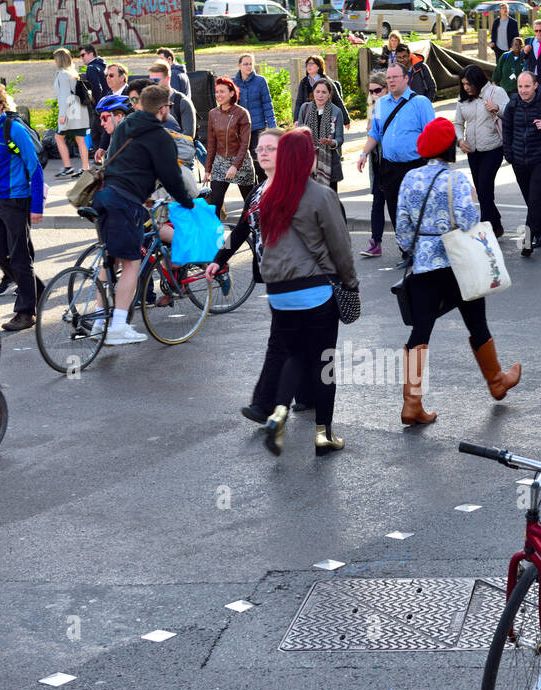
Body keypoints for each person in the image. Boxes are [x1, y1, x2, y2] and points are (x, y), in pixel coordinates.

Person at [396, 117, 521, 425]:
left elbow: (401, 230)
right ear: (451, 148)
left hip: (424, 267)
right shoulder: (458, 180)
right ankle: (496, 382)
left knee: (420, 332)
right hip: (457, 266)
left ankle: (412, 404)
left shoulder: (410, 179)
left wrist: (420, 248)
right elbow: (468, 221)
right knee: (477, 323)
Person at [255, 129, 357, 457]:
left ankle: (279, 411)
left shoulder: (269, 195)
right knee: (323, 361)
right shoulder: (319, 194)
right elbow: (340, 246)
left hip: (278, 292)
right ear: (308, 158)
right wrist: (350, 283)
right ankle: (323, 435)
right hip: (315, 289)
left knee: (296, 355)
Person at [207, 129, 311, 422]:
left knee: (280, 340)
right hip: (273, 276)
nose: (261, 153)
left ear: (286, 153)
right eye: (259, 148)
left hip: (297, 277)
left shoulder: (297, 188)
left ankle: (265, 404)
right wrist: (219, 260)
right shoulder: (259, 189)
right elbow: (241, 229)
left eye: (270, 148)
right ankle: (308, 393)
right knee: (296, 339)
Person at [92, 84, 194, 346]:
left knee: (110, 261)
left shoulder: (125, 126)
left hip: (104, 196)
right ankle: (116, 327)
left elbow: (124, 164)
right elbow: (172, 179)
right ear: (162, 109)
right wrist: (187, 203)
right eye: (168, 108)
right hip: (125, 202)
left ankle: (97, 322)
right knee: (131, 265)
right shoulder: (159, 137)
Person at [0, 83, 45, 333]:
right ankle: (36, 289)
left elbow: (34, 168)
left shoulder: (14, 129)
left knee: (20, 256)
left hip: (17, 200)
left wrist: (36, 206)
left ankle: (26, 312)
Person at [357, 63, 436, 241]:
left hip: (416, 166)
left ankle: (420, 248)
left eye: (395, 77)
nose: (391, 81)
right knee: (394, 211)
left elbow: (432, 135)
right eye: (388, 78)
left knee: (417, 210)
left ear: (406, 79)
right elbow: (375, 133)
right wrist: (363, 154)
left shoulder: (421, 103)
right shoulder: (381, 104)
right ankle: (405, 250)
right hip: (390, 167)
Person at [455, 64, 509, 238]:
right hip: (472, 150)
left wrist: (497, 109)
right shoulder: (463, 97)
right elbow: (457, 123)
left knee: (485, 187)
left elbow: (511, 113)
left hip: (493, 148)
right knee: (481, 189)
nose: (466, 88)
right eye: (463, 84)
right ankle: (496, 223)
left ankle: (486, 229)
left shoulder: (496, 92)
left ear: (478, 81)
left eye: (469, 84)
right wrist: (460, 140)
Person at [503, 71, 541, 257]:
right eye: (520, 87)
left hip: (539, 159)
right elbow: (507, 130)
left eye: (526, 86)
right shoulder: (513, 105)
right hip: (519, 161)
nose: (523, 91)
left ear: (535, 86)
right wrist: (509, 154)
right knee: (532, 202)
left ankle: (527, 241)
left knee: (533, 200)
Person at [206, 76, 256, 218]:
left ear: (232, 93)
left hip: (241, 163)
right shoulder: (213, 113)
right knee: (214, 205)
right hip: (220, 162)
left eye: (222, 91)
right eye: (216, 92)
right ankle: (215, 238)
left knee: (249, 206)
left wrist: (235, 165)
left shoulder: (242, 113)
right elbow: (211, 143)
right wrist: (207, 169)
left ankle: (256, 234)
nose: (218, 95)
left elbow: (245, 143)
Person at [232, 54, 277, 180]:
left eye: (250, 63)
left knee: (258, 160)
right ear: (239, 65)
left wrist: (273, 127)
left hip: (257, 126)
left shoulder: (260, 81)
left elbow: (267, 105)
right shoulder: (233, 83)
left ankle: (264, 186)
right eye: (245, 64)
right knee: (245, 161)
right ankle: (253, 189)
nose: (248, 66)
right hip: (240, 128)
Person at [296, 77, 345, 192]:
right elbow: (299, 134)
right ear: (313, 93)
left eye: (324, 92)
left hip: (329, 161)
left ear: (329, 94)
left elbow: (340, 138)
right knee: (309, 196)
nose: (320, 95)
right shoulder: (305, 108)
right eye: (317, 92)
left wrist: (332, 142)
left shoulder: (336, 111)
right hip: (308, 160)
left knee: (330, 198)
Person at [360, 71, 389, 258]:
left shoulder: (394, 106)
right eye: (371, 91)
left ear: (386, 88)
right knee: (377, 202)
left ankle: (407, 245)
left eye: (377, 90)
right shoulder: (373, 107)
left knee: (396, 204)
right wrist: (364, 153)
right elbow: (370, 131)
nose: (374, 94)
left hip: (394, 161)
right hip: (377, 160)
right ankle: (375, 242)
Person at [52, 47, 90, 178]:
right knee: (80, 139)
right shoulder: (72, 73)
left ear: (59, 60)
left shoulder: (62, 75)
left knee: (59, 137)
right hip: (78, 110)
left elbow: (64, 96)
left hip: (70, 112)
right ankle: (85, 167)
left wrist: (62, 115)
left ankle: (68, 166)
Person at [294, 55, 352, 127]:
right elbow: (299, 101)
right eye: (307, 64)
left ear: (318, 66)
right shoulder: (304, 82)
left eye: (311, 64)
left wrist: (346, 120)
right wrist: (296, 119)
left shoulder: (326, 81)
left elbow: (337, 100)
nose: (308, 66)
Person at [150, 62, 196, 136]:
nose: (153, 84)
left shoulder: (182, 102)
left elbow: (189, 135)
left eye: (156, 80)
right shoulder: (149, 101)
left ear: (168, 78)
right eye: (151, 81)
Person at [80, 44, 109, 150]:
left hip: (99, 106)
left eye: (83, 55)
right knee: (99, 132)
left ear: (91, 54)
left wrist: (97, 105)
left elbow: (96, 88)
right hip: (107, 103)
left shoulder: (91, 68)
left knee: (97, 135)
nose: (81, 58)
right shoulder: (102, 65)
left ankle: (101, 160)